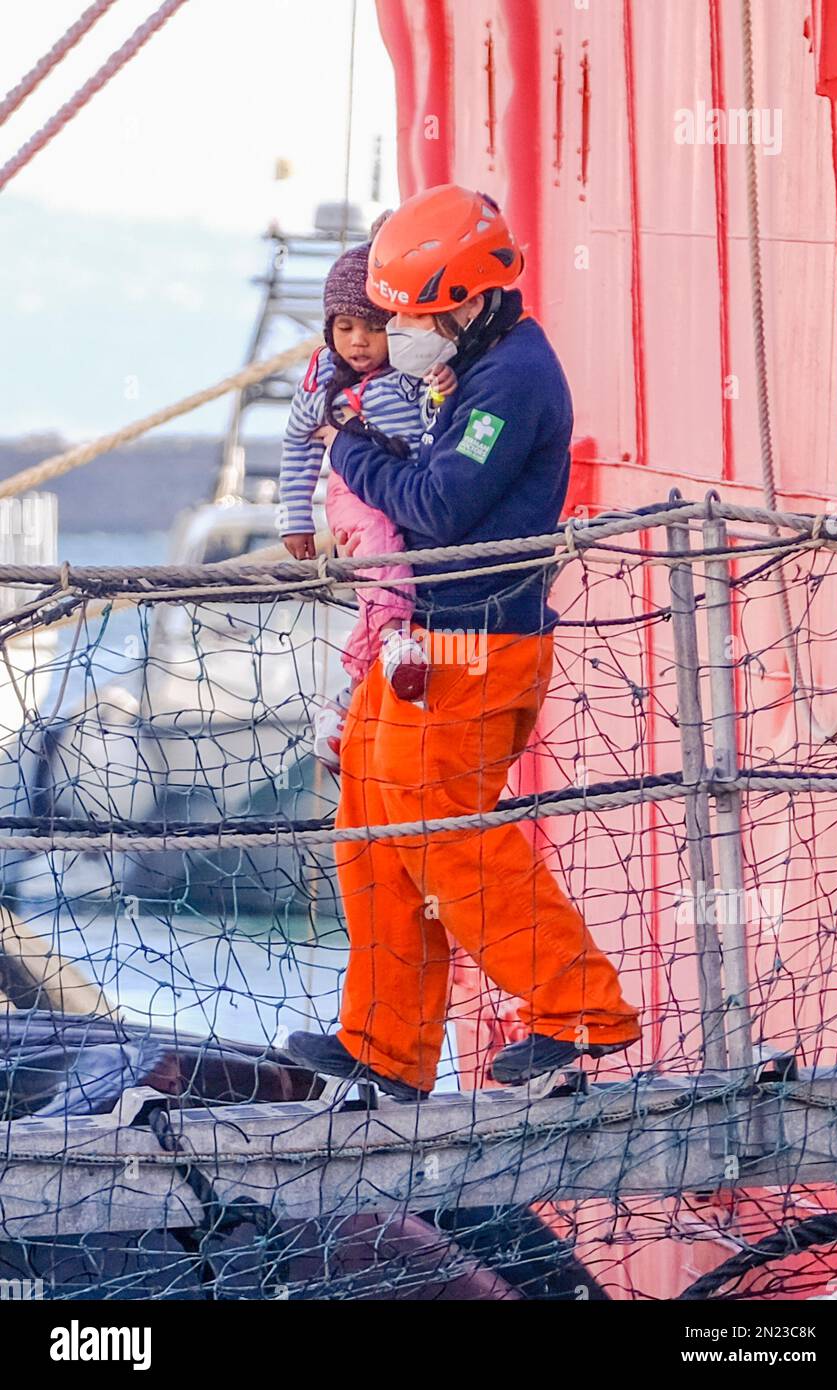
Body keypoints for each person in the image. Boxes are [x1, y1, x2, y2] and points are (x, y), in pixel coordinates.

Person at [287, 185, 641, 1099]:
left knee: (450, 840)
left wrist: (347, 445)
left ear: (471, 303)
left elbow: (442, 508)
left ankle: (578, 1013)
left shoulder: (513, 381)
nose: (399, 335)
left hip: (476, 649)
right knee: (370, 829)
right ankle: (384, 1045)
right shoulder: (467, 364)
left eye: (417, 317)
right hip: (423, 646)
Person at [278, 228, 457, 761]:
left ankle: (343, 702)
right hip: (354, 491)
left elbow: (435, 423)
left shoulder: (411, 369)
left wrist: (443, 387)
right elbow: (298, 443)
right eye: (345, 327)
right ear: (329, 328)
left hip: (401, 485)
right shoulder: (321, 381)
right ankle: (397, 635)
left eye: (374, 328)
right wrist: (296, 518)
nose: (358, 341)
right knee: (381, 547)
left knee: (396, 563)